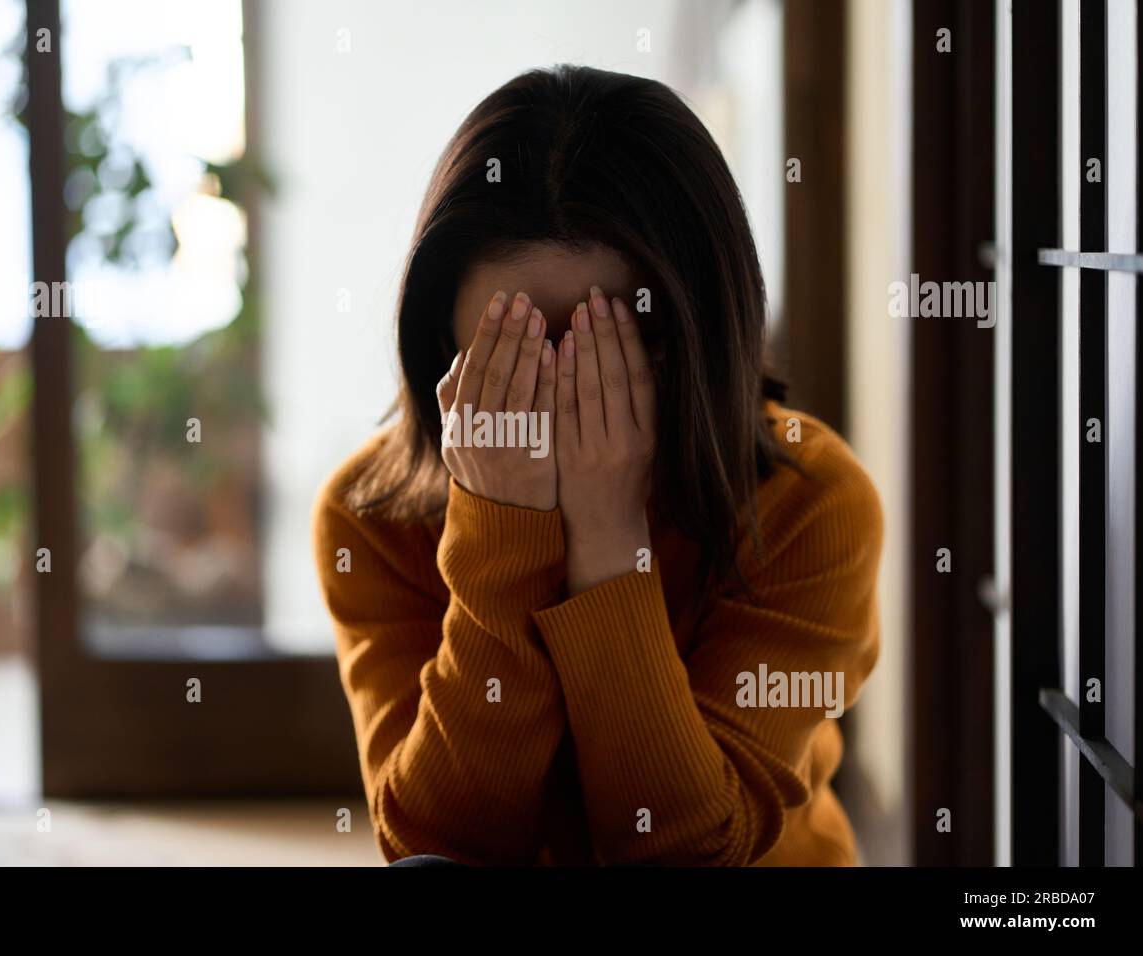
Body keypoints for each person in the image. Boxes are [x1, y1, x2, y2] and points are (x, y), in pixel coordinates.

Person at [312, 64, 882, 866]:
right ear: (443, 343)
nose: (564, 399)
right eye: (510, 357)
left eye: (609, 353)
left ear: (698, 336)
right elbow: (434, 846)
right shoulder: (369, 515)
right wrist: (502, 531)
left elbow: (694, 851)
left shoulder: (812, 500)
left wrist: (611, 541)